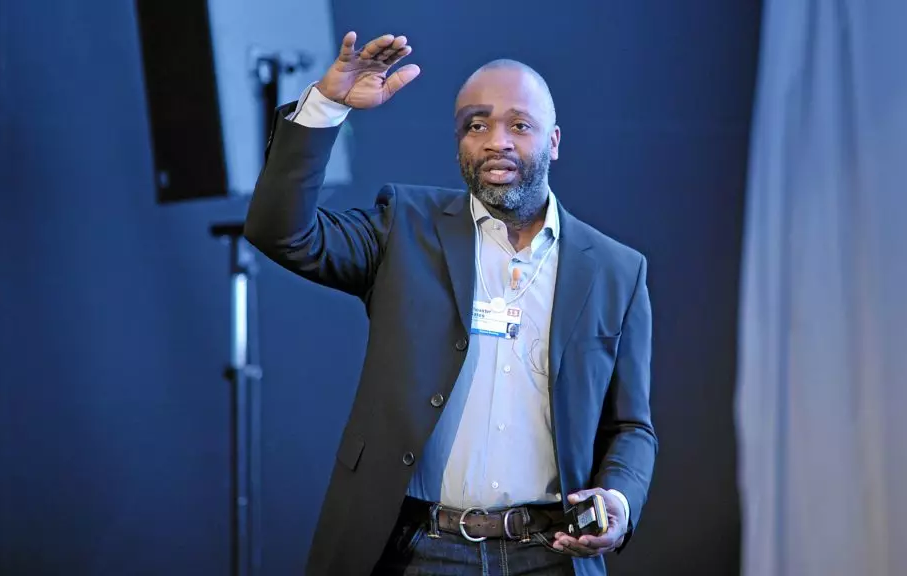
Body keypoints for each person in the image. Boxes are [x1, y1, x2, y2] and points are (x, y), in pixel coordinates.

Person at [244, 30, 657, 576]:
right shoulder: (405, 228)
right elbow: (281, 233)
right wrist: (326, 105)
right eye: (476, 125)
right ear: (458, 141)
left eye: (519, 125)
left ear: (554, 141)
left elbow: (631, 427)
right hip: (417, 551)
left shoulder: (616, 270)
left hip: (549, 554)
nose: (495, 141)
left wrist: (619, 502)